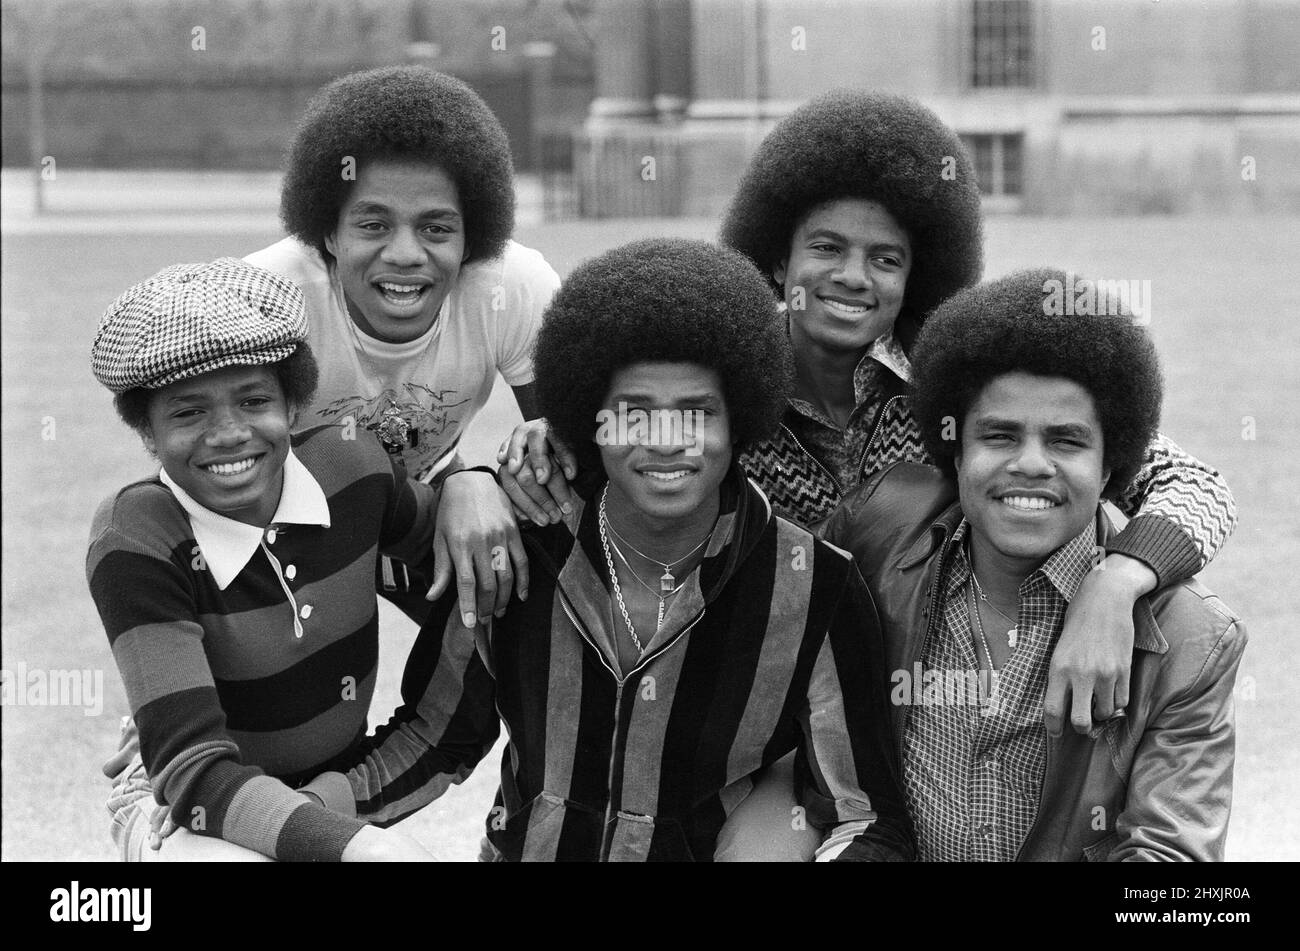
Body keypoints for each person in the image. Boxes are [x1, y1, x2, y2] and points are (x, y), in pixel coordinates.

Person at [494, 90, 1238, 735]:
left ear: (916, 275)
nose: (853, 277)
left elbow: (1196, 484)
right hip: (762, 722)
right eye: (828, 248)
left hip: (932, 718)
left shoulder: (960, 387)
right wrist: (504, 460)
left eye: (886, 258)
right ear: (779, 260)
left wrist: (1120, 582)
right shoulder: (716, 392)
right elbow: (612, 456)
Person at [300, 239, 915, 861]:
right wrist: (295, 812)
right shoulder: (520, 550)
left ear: (742, 421)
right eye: (633, 413)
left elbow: (865, 815)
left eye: (697, 413)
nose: (667, 441)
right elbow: (435, 740)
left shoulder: (814, 587)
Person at [816, 268, 1246, 860]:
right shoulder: (878, 528)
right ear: (954, 450)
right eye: (999, 436)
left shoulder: (1191, 641)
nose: (1031, 464)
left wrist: (1114, 585)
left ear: (1110, 467)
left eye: (1066, 442)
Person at [87, 258, 465, 861]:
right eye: (188, 412)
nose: (229, 432)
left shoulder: (352, 466)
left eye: (253, 399)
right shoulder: (136, 534)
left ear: (293, 406)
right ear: (148, 436)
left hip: (323, 784)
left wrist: (477, 484)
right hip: (186, 806)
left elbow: (465, 563)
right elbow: (192, 771)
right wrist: (358, 848)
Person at [247, 65, 561, 627]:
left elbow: (563, 453)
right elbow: (212, 464)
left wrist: (477, 480)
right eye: (372, 225)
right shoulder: (267, 300)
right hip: (287, 513)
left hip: (426, 496)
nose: (405, 254)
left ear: (473, 238)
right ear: (325, 232)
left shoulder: (510, 287)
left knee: (520, 593)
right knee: (289, 691)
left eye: (436, 229)